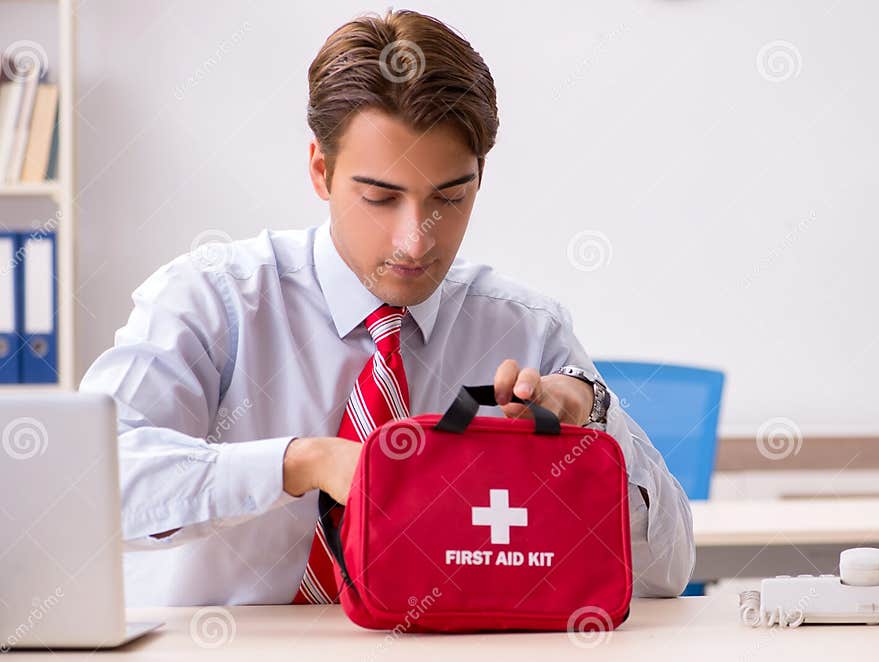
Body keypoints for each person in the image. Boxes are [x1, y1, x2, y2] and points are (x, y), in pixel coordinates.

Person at [80, 9, 694, 607]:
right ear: (321, 169)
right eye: (379, 197)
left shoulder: (524, 328)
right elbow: (87, 491)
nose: (416, 240)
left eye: (450, 197)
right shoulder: (212, 301)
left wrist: (590, 414)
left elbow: (666, 571)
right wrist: (300, 462)